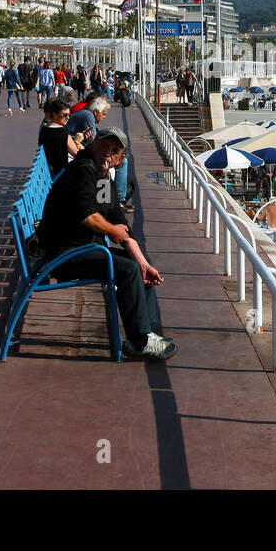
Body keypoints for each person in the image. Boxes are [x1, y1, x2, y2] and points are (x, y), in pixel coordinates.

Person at [37, 127, 176, 360]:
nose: (107, 154)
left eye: (114, 151)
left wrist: (143, 261)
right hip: (65, 255)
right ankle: (140, 341)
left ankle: (146, 332)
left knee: (140, 263)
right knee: (129, 270)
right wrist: (112, 232)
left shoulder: (101, 178)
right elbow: (88, 216)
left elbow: (116, 218)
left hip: (84, 248)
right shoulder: (84, 170)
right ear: (93, 145)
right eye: (104, 146)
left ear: (120, 159)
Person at [40, 99, 80, 176]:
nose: (68, 118)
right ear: (54, 114)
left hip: (48, 170)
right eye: (65, 115)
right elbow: (77, 153)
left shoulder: (44, 129)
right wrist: (78, 142)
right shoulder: (62, 132)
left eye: (69, 115)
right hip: (60, 173)